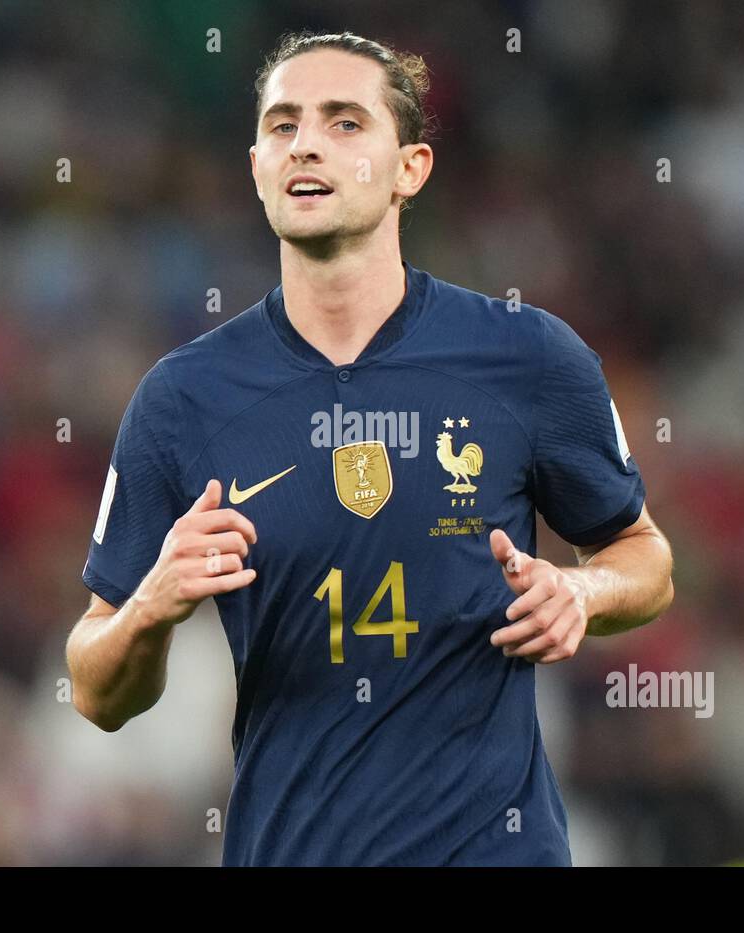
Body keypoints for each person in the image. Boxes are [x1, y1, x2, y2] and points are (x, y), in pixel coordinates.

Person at [66, 30, 674, 866]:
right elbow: (97, 689)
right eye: (282, 125)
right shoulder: (183, 400)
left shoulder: (529, 358)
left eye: (345, 122)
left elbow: (645, 559)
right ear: (257, 168)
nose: (306, 142)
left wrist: (584, 590)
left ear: (410, 168)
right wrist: (153, 606)